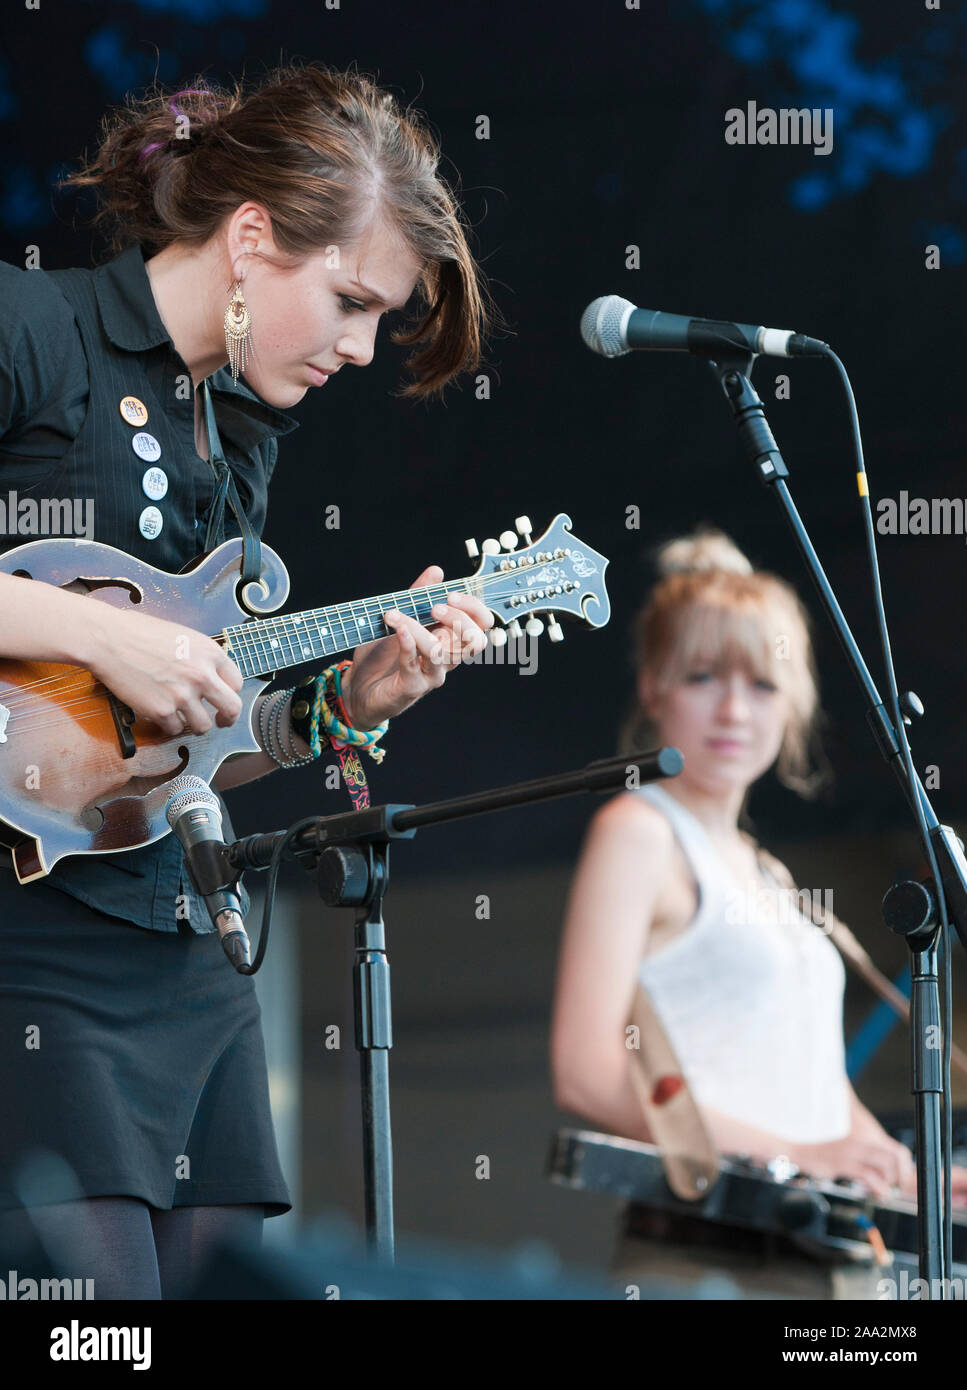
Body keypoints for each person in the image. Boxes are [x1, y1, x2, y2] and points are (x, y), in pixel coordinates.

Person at [0, 60, 501, 1299]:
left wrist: (351, 704)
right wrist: (101, 636)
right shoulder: (34, 331)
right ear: (250, 236)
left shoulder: (241, 436)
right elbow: (117, 667)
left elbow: (197, 730)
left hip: (181, 939)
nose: (359, 346)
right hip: (30, 950)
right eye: (348, 300)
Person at [550, 529, 967, 1299]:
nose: (735, 710)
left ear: (796, 703)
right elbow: (585, 1074)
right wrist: (805, 1153)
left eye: (764, 685)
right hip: (708, 1254)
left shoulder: (764, 869)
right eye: (703, 676)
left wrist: (898, 1169)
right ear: (652, 686)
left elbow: (799, 1075)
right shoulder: (639, 831)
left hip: (814, 1253)